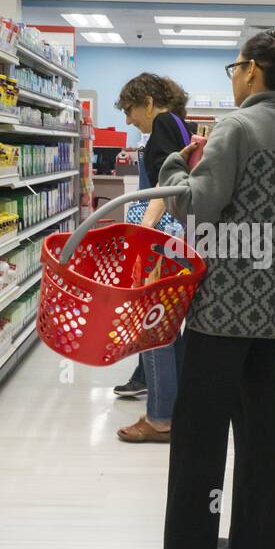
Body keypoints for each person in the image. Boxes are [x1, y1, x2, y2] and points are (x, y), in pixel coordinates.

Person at [135, 30, 275, 549]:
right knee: (261, 429)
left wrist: (175, 162)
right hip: (273, 317)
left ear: (253, 71)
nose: (233, 76)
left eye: (235, 67)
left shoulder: (237, 129)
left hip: (222, 311)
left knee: (197, 436)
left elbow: (199, 203)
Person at [114, 73, 192, 443]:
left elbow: (167, 182)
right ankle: (174, 409)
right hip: (174, 234)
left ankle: (160, 418)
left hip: (161, 237)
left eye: (130, 110)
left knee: (152, 325)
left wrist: (146, 226)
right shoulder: (178, 122)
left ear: (147, 100)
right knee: (168, 325)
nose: (128, 119)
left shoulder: (162, 122)